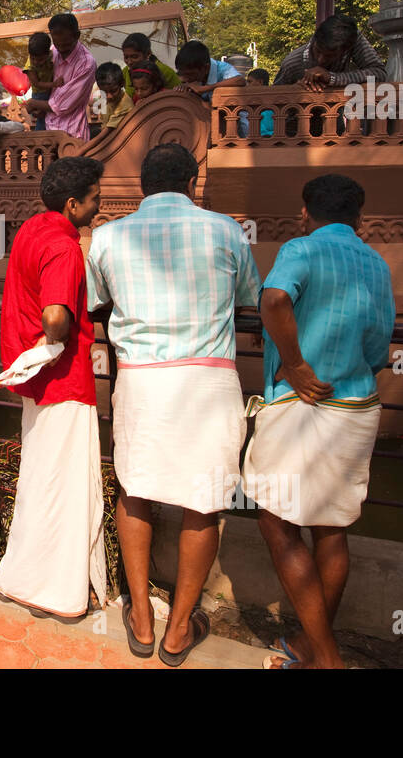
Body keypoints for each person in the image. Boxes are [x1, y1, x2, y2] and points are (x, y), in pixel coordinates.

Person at [87, 143, 260, 666]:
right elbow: (249, 301)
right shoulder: (229, 231)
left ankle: (140, 617)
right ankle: (179, 630)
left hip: (141, 382)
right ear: (192, 183)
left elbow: (97, 304)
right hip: (209, 381)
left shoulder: (107, 238)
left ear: (143, 187)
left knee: (136, 491)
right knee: (203, 500)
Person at [240, 175, 395, 670]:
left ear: (306, 212)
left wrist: (297, 363)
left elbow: (274, 299)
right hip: (355, 405)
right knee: (331, 528)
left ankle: (325, 658)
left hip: (299, 403)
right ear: (359, 218)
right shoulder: (376, 262)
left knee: (278, 523)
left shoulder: (300, 247)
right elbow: (379, 343)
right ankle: (312, 647)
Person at [0, 156, 107, 620]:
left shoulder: (31, 228)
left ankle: (25, 578)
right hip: (64, 378)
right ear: (72, 204)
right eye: (95, 201)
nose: (98, 208)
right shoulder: (64, 246)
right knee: (64, 483)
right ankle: (54, 591)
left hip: (37, 379)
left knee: (41, 478)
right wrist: (57, 338)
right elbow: (56, 316)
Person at [22, 13, 97, 142]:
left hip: (70, 135)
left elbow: (62, 105)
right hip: (47, 130)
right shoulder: (51, 52)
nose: (61, 49)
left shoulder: (86, 64)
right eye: (57, 44)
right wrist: (39, 108)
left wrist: (33, 103)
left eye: (66, 45)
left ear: (77, 36)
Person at [272, 14, 386, 90]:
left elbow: (379, 73)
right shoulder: (291, 63)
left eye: (329, 56)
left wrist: (332, 78)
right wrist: (293, 91)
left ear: (345, 51)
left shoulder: (352, 37)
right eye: (318, 51)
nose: (321, 60)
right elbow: (273, 95)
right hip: (294, 125)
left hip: (334, 122)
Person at [175, 40, 246, 102]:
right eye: (183, 74)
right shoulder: (191, 78)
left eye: (191, 74)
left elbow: (240, 80)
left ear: (206, 68)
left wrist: (205, 88)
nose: (186, 78)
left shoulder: (223, 69)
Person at [120, 32, 180, 98]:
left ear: (148, 53)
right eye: (126, 57)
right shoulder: (125, 72)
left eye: (134, 57)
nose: (129, 62)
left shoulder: (165, 71)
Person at [22, 31, 56, 131]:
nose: (36, 62)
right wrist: (54, 84)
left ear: (47, 53)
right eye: (33, 59)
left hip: (50, 90)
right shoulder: (30, 67)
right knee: (41, 119)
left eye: (40, 59)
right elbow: (37, 84)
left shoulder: (53, 55)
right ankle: (39, 137)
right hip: (39, 94)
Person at [92, 62, 133, 139]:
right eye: (105, 92)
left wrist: (82, 150)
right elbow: (93, 103)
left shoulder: (125, 104)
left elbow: (107, 132)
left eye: (113, 91)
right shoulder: (103, 96)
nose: (109, 96)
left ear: (122, 84)